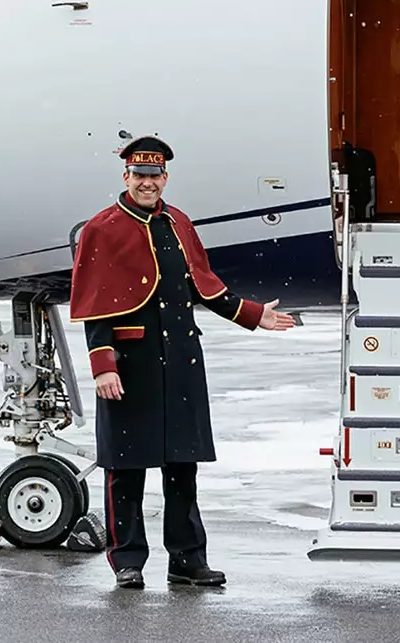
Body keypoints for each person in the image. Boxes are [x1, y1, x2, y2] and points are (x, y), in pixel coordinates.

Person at [69, 135, 297, 589]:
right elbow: (95, 307)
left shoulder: (178, 222)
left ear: (165, 178)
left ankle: (187, 560)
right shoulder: (102, 228)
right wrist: (103, 365)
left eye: (155, 177)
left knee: (181, 470)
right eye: (140, 176)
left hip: (180, 365)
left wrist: (254, 314)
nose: (147, 183)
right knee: (125, 470)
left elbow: (204, 286)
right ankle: (128, 560)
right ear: (126, 177)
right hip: (130, 367)